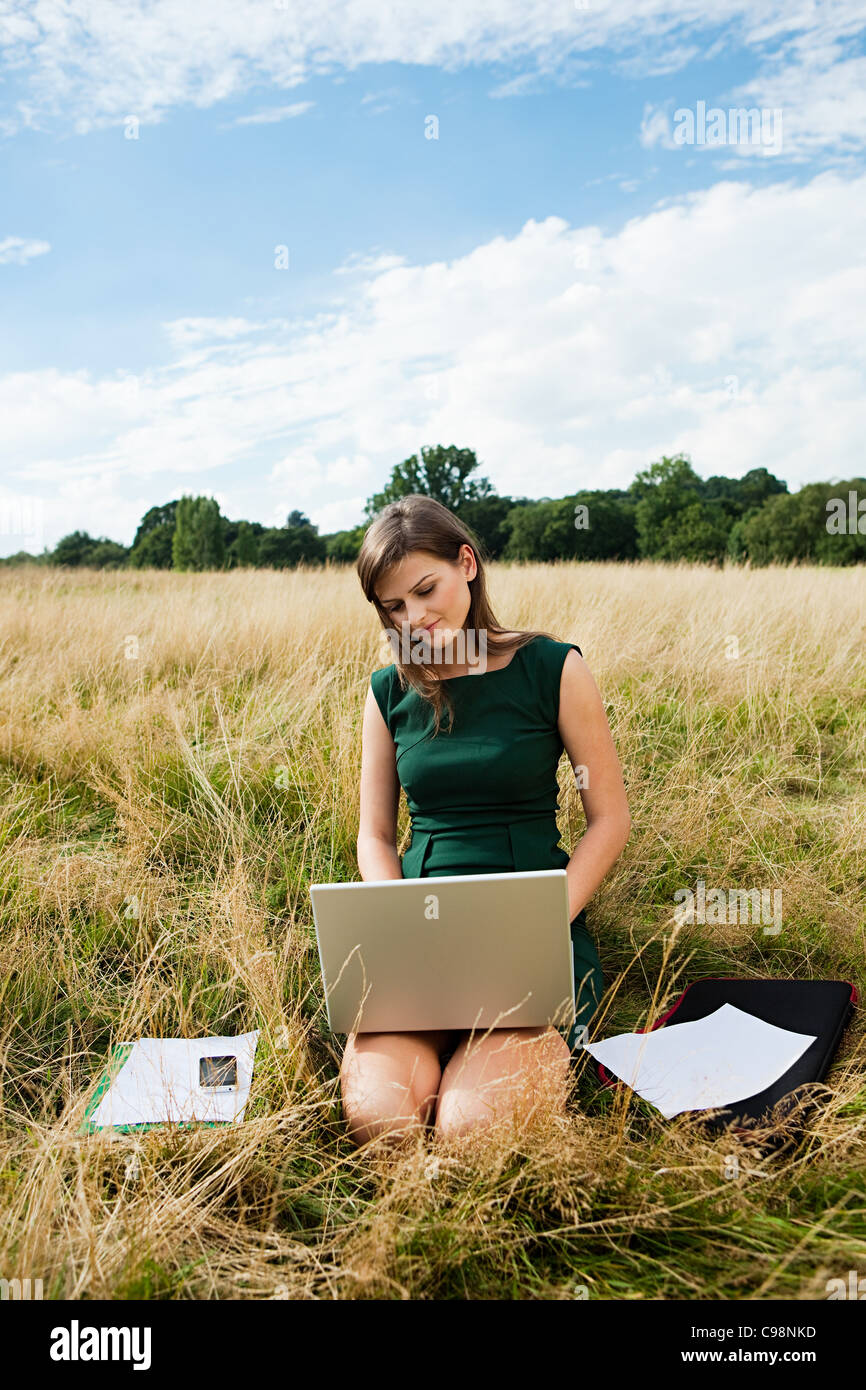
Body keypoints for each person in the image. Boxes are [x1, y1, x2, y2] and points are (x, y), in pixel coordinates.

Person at [340, 494, 631, 1148]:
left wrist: (545, 920)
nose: (414, 618)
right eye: (394, 606)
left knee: (472, 1130)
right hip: (420, 933)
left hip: (532, 928)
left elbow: (609, 819)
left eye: (425, 590)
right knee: (381, 1122)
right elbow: (375, 834)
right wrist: (396, 921)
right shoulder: (387, 691)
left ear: (466, 564)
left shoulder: (552, 668)